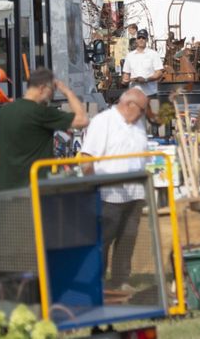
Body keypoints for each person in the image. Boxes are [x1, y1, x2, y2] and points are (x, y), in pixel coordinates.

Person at [80, 87, 150, 290]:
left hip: (135, 192)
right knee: (103, 240)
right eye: (142, 109)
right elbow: (87, 158)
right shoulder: (103, 122)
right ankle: (97, 281)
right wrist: (91, 186)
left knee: (127, 239)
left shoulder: (138, 124)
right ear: (130, 105)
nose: (144, 114)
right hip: (109, 194)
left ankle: (121, 280)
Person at [0, 68, 89, 192]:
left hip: (6, 193)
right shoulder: (42, 113)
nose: (51, 97)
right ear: (42, 88)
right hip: (36, 193)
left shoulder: (3, 112)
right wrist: (66, 91)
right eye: (52, 91)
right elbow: (83, 119)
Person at [122, 35, 162, 110]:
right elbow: (126, 75)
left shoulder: (153, 54)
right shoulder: (129, 56)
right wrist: (126, 81)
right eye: (139, 38)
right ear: (136, 40)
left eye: (143, 38)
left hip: (151, 94)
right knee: (134, 120)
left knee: (153, 119)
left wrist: (146, 80)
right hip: (134, 96)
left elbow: (159, 73)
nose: (141, 40)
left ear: (146, 40)